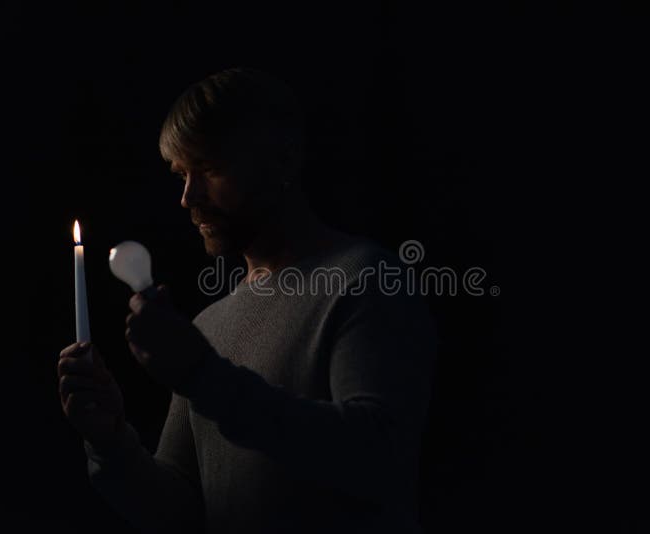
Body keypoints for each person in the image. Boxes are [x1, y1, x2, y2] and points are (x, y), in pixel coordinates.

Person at [57, 67, 437, 534]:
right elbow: (181, 512)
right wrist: (109, 439)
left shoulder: (367, 280)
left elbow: (375, 457)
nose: (187, 197)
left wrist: (202, 374)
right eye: (181, 174)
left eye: (211, 167)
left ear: (283, 160)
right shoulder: (211, 323)